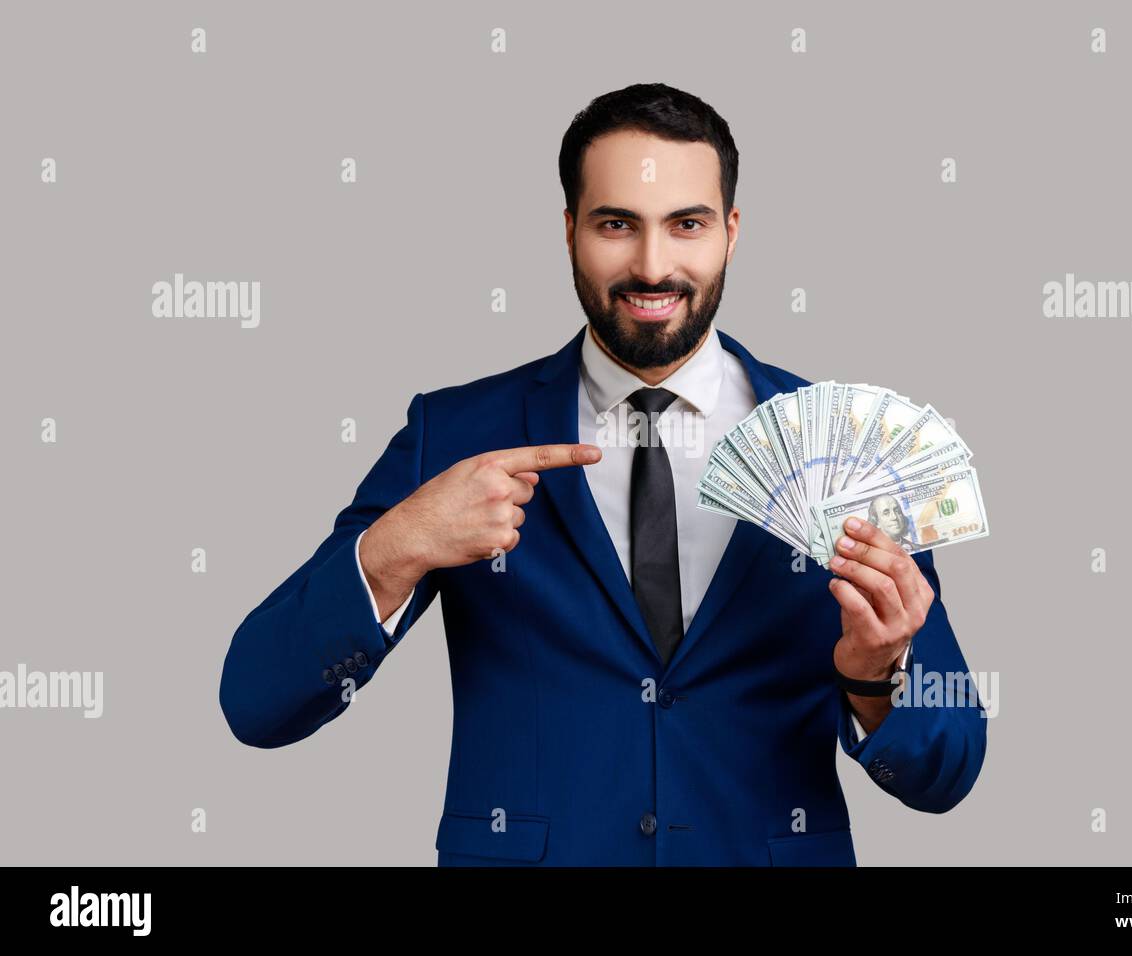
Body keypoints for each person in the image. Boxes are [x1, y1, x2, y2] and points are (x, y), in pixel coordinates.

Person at [219, 83, 986, 866]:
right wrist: (395, 549)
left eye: (686, 225)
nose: (652, 267)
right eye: (617, 225)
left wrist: (875, 677)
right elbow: (256, 702)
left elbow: (950, 769)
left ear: (731, 231)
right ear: (568, 231)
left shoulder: (846, 451)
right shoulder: (454, 434)